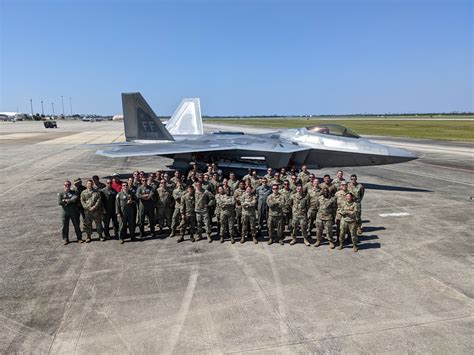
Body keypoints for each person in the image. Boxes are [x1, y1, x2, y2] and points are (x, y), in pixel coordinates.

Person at [58, 180, 83, 244]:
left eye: (68, 185)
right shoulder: (61, 193)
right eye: (66, 185)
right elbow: (59, 202)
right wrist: (69, 201)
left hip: (73, 212)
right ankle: (65, 239)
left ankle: (79, 238)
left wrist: (66, 201)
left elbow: (75, 200)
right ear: (64, 186)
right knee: (65, 226)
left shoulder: (74, 192)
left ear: (70, 185)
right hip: (65, 212)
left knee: (76, 225)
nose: (67, 186)